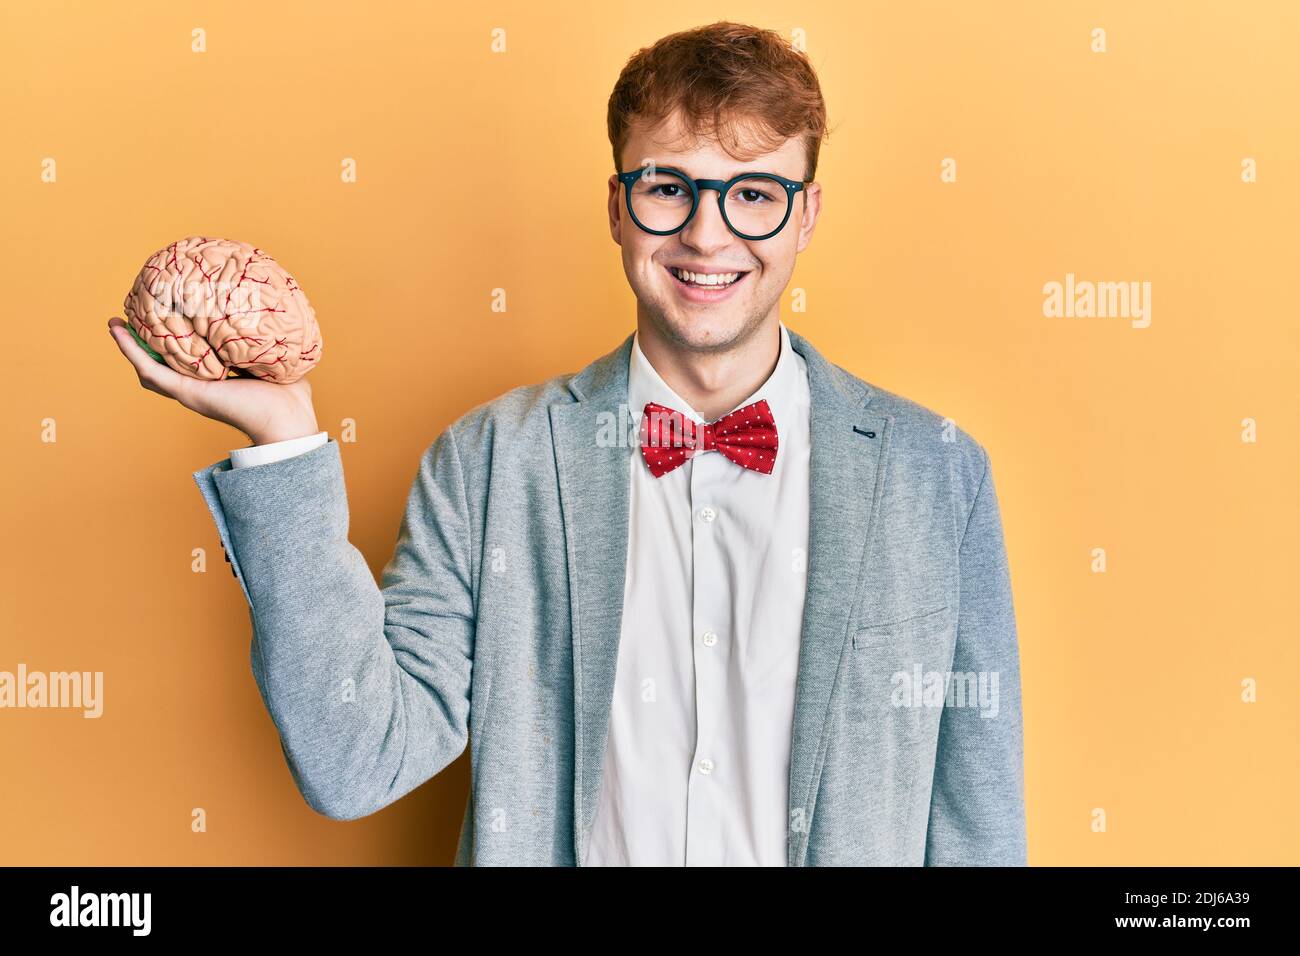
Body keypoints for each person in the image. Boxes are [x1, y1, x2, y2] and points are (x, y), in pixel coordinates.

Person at [107, 21, 1025, 866]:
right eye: (668, 187)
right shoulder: (487, 463)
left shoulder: (937, 472)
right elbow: (355, 760)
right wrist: (283, 441)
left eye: (754, 193)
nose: (708, 235)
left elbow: (979, 827)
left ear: (806, 215)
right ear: (619, 207)